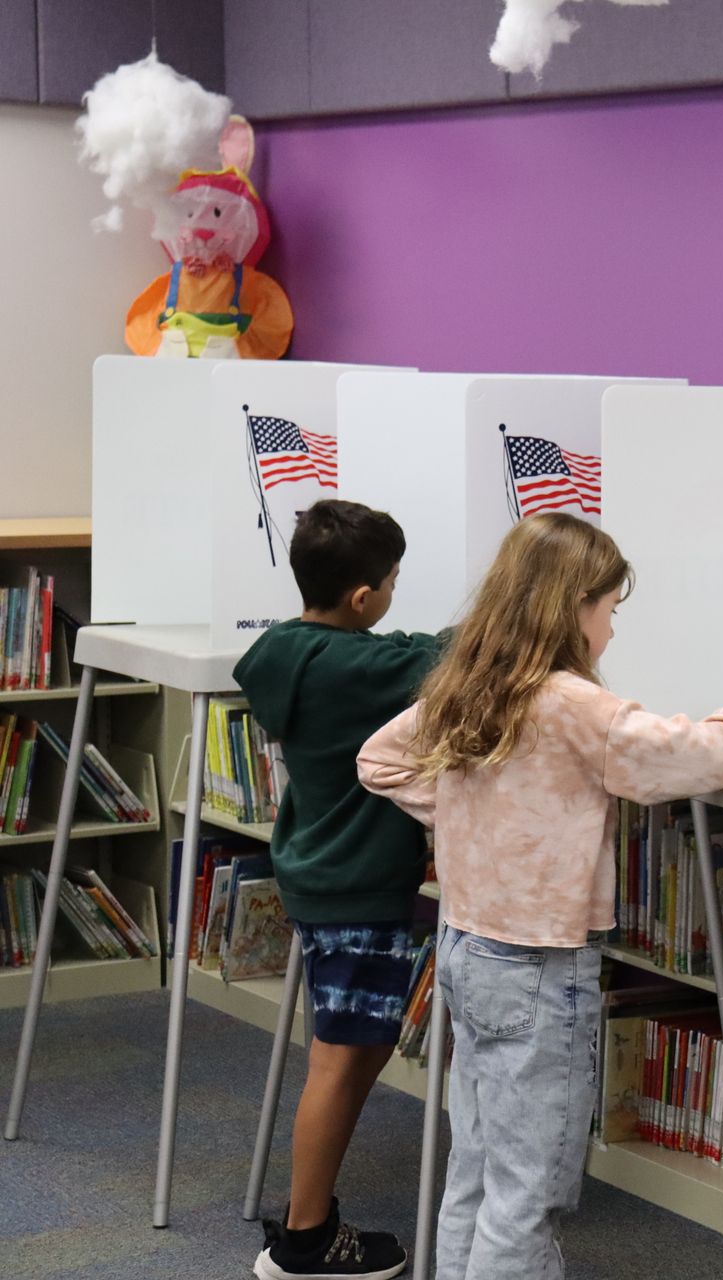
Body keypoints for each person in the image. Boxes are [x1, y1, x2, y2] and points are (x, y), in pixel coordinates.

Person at [357, 512, 723, 1280]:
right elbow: (690, 760)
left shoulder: (469, 682)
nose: (611, 631)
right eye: (610, 611)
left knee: (476, 1174)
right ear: (572, 607)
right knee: (528, 1196)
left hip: (466, 949)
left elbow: (379, 758)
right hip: (541, 971)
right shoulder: (577, 705)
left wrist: (475, 821)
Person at [235, 499, 443, 1280]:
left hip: (325, 874)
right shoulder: (362, 666)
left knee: (361, 1045)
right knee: (338, 1056)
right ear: (364, 598)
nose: (395, 593)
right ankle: (306, 1238)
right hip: (357, 886)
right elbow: (452, 654)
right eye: (391, 581)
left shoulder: (284, 650)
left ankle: (306, 1219)